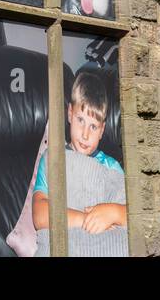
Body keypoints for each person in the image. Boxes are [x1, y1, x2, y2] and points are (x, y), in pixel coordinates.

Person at [32, 71, 126, 235]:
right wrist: (86, 220)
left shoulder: (111, 166)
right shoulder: (52, 158)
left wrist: (113, 212)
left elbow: (137, 215)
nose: (85, 134)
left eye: (93, 126)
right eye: (80, 120)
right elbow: (39, 215)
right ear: (70, 114)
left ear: (102, 130)